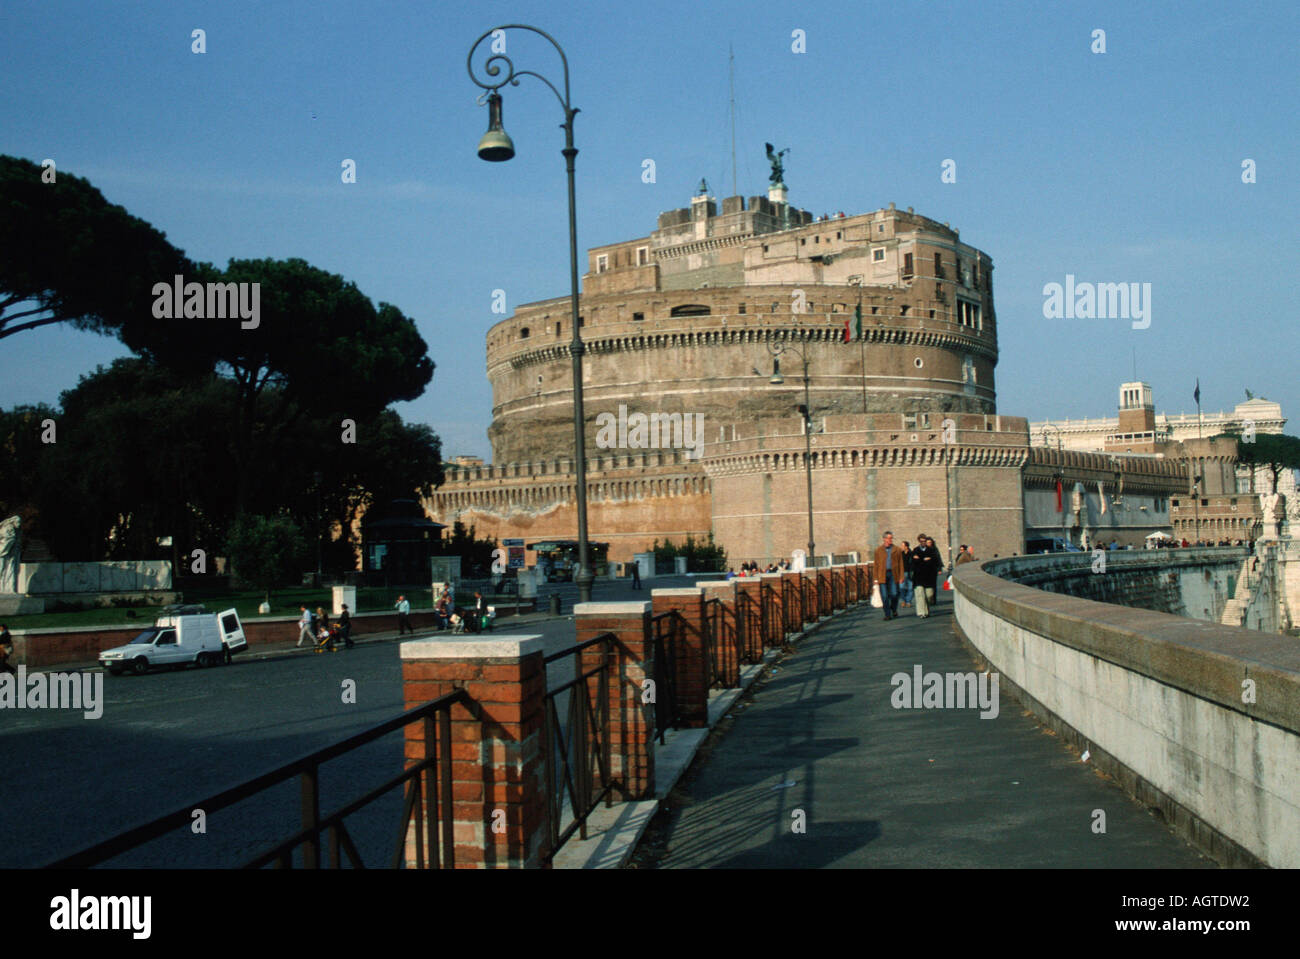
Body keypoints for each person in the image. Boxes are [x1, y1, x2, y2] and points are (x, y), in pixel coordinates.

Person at [873, 531, 905, 620]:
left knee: (894, 594)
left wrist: (901, 576)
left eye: (891, 538)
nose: (890, 540)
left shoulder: (897, 550)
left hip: (893, 574)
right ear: (884, 539)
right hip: (882, 575)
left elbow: (901, 564)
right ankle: (887, 614)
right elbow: (876, 565)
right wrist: (875, 579)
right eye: (889, 538)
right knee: (884, 595)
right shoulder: (878, 550)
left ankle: (893, 609)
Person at [910, 535, 940, 618]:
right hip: (918, 576)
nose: (923, 542)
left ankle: (926, 610)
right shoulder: (915, 550)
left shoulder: (931, 550)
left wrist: (921, 560)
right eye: (921, 541)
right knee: (920, 594)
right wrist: (924, 560)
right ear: (919, 541)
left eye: (924, 541)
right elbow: (913, 562)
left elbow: (935, 561)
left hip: (929, 576)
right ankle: (922, 613)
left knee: (929, 594)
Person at [899, 541, 914, 607]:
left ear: (906, 547)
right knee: (901, 587)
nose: (901, 547)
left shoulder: (911, 554)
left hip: (910, 572)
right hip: (902, 573)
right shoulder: (900, 554)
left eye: (902, 546)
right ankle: (903, 600)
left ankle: (908, 601)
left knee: (910, 588)